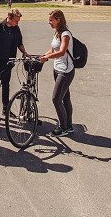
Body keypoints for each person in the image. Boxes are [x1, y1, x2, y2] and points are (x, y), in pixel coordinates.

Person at [38, 9, 75, 137]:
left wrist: (47, 58)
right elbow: (53, 49)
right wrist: (42, 56)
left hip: (66, 70)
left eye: (51, 20)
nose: (49, 22)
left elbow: (62, 52)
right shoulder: (56, 33)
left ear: (58, 20)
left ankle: (63, 127)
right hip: (58, 68)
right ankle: (69, 126)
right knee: (65, 98)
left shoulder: (65, 34)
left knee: (56, 99)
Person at [0, 9, 28, 122]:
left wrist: (25, 52)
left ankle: (6, 109)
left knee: (6, 86)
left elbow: (19, 43)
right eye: (16, 21)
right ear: (9, 18)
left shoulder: (16, 28)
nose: (17, 23)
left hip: (9, 62)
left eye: (18, 21)